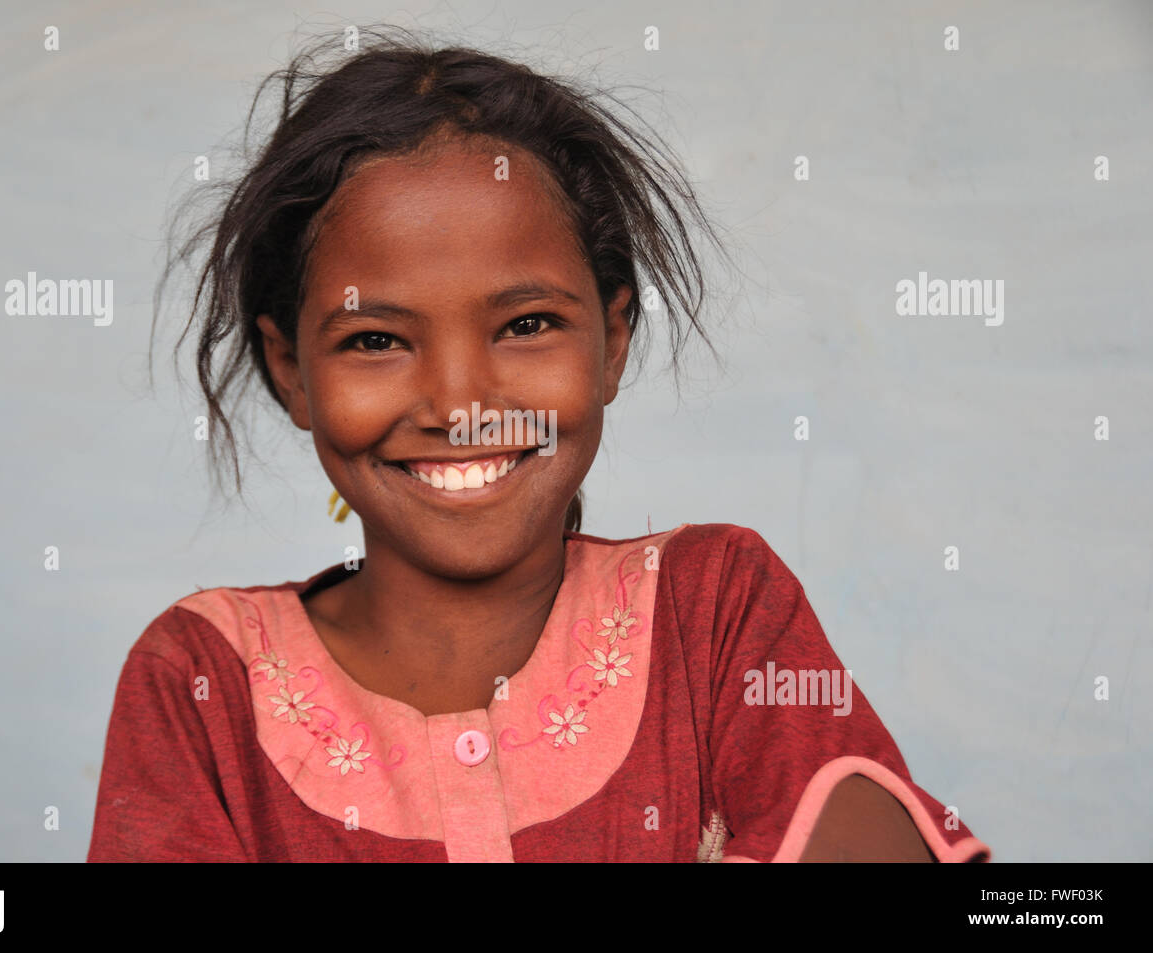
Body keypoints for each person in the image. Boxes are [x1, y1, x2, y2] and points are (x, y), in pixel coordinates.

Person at [87, 27, 991, 863]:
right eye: (375, 340)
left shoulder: (713, 614)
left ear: (614, 336)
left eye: (524, 324)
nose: (462, 402)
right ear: (291, 370)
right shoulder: (203, 680)